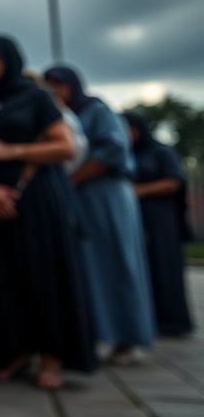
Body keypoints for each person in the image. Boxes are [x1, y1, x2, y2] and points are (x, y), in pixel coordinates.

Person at [0, 36, 95, 389]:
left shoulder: (35, 98)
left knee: (44, 276)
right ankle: (16, 351)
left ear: (9, 58)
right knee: (3, 279)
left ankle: (52, 357)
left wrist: (10, 152)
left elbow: (65, 146)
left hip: (35, 201)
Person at [44, 66, 156, 363]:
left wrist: (73, 180)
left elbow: (112, 151)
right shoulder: (62, 114)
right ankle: (101, 332)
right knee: (90, 267)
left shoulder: (96, 110)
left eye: (59, 85)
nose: (55, 91)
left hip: (106, 195)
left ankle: (129, 338)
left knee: (119, 263)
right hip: (80, 197)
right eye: (50, 86)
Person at [124, 111, 195, 337]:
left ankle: (173, 322)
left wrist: (140, 191)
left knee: (165, 267)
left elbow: (174, 181)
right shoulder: (127, 154)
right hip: (136, 217)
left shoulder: (161, 152)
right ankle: (149, 320)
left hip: (161, 218)